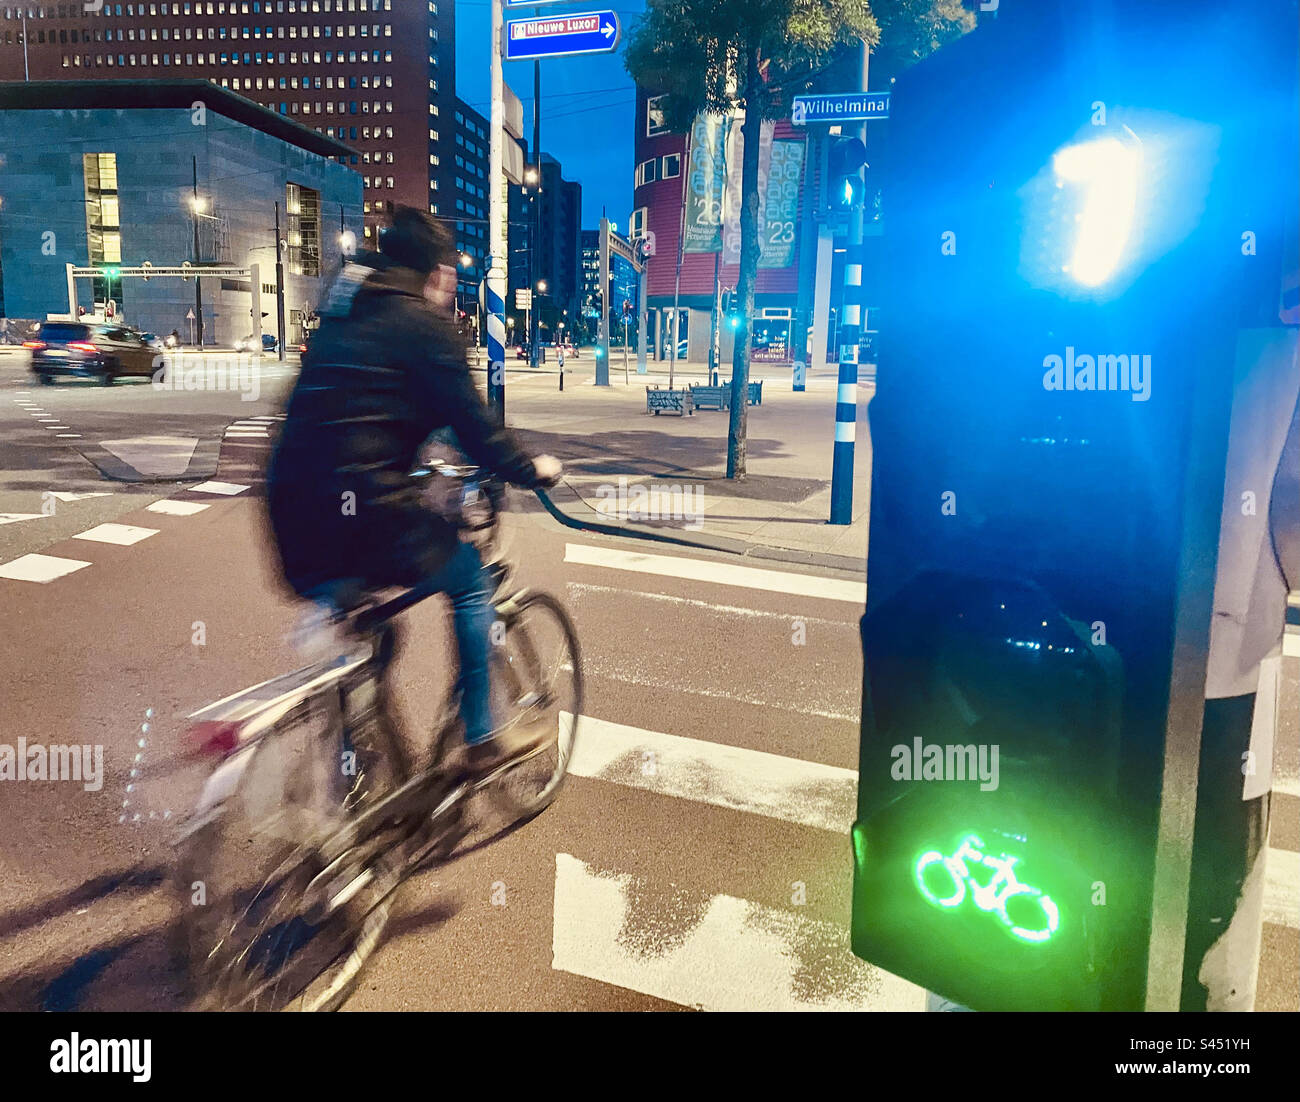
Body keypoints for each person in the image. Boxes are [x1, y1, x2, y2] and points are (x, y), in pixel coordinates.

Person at [266, 206, 563, 775]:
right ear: (436, 272)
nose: (452, 284)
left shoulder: (342, 315)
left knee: (371, 625)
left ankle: (362, 770)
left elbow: (359, 413)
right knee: (471, 584)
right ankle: (482, 739)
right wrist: (531, 469)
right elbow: (476, 428)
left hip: (290, 511)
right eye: (450, 272)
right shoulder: (426, 327)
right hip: (366, 513)